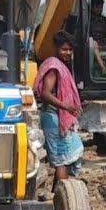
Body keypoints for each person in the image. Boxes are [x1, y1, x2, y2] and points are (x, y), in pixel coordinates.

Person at [33, 30, 85, 185]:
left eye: (70, 49)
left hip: (59, 117)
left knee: (68, 156)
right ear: (56, 49)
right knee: (63, 159)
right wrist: (66, 106)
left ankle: (58, 193)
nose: (67, 53)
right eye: (64, 49)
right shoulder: (54, 67)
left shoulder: (61, 66)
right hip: (54, 119)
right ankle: (63, 192)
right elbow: (45, 94)